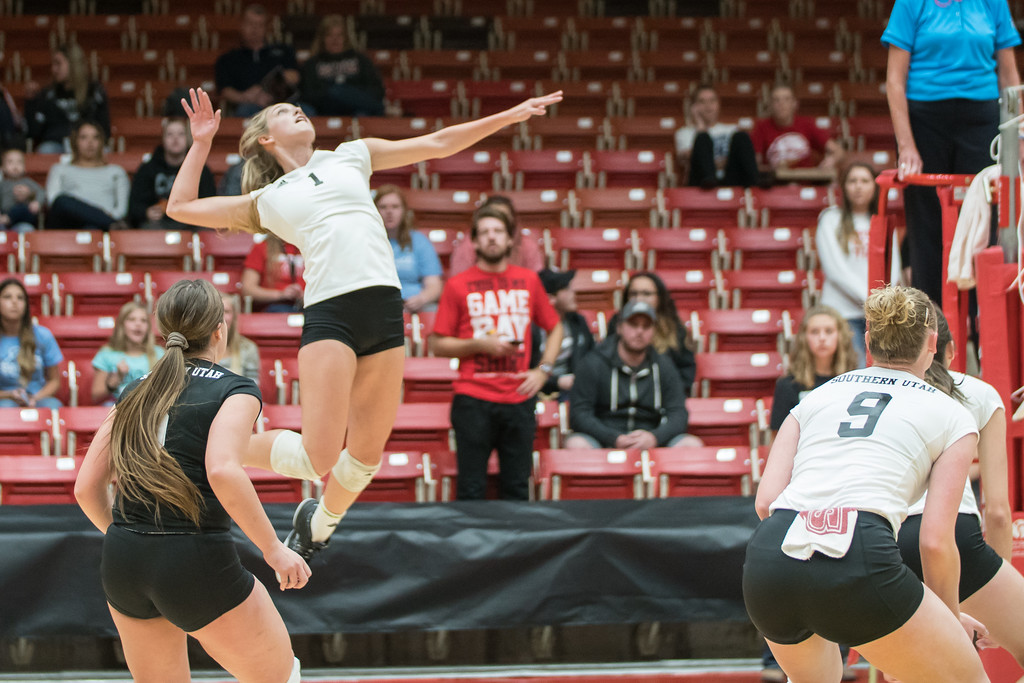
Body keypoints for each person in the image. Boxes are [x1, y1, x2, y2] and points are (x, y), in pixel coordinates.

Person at [167, 86, 562, 557]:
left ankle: (320, 524)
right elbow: (180, 206)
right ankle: (193, 438)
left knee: (365, 458)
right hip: (332, 314)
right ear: (265, 140)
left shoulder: (351, 155)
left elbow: (438, 143)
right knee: (318, 458)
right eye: (282, 112)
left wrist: (508, 115)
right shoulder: (266, 199)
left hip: (384, 312)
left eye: (298, 107)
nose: (296, 109)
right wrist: (202, 143)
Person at [744, 285, 989, 683]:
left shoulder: (815, 397)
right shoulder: (952, 414)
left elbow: (766, 501)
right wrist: (950, 621)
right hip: (858, 551)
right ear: (932, 342)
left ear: (870, 341)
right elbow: (934, 541)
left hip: (772, 557)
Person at [74, 278, 308, 683]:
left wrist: (128, 537)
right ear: (220, 330)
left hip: (124, 560)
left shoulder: (134, 389)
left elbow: (85, 487)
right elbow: (222, 469)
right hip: (194, 557)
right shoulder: (236, 390)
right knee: (281, 678)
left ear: (162, 331)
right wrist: (274, 550)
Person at [896, 308, 1024, 668]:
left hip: (882, 538)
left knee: (917, 670)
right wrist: (999, 595)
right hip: (953, 534)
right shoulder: (979, 393)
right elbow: (998, 511)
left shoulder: (870, 390)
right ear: (949, 350)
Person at [883, 0, 1021, 306]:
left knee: (983, 217)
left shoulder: (992, 3)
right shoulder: (911, 4)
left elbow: (1011, 78)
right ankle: (931, 324)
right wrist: (906, 146)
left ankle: (979, 323)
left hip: (981, 118)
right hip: (924, 119)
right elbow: (894, 80)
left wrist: (1017, 137)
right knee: (927, 222)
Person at [430, 205, 564, 500]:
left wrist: (543, 371)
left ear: (509, 241)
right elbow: (438, 344)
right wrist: (479, 344)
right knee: (471, 487)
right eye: (485, 232)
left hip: (519, 397)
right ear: (475, 242)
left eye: (498, 232)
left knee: (517, 487)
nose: (492, 238)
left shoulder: (529, 281)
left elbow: (556, 328)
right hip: (472, 398)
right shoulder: (457, 285)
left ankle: (517, 546)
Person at [760, 303, 859, 682]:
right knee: (789, 571)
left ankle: (840, 657)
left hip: (842, 486)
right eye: (815, 331)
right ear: (805, 338)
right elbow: (777, 446)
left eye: (829, 331)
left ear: (839, 337)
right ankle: (777, 661)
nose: (822, 338)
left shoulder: (855, 381)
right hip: (800, 489)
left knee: (838, 570)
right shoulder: (789, 386)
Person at [566, 299, 697, 451]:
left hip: (650, 439)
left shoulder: (664, 366)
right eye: (633, 325)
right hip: (604, 439)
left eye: (646, 326)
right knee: (576, 444)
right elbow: (579, 414)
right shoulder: (593, 363)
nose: (639, 331)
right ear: (620, 327)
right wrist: (613, 438)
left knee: (691, 445)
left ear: (653, 331)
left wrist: (655, 437)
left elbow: (679, 414)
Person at [815, 162, 884, 367]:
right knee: (858, 370)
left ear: (874, 186)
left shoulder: (881, 220)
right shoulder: (830, 219)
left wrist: (877, 304)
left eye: (864, 181)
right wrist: (869, 299)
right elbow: (835, 270)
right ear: (844, 187)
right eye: (852, 181)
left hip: (876, 315)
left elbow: (893, 268)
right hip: (842, 313)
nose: (858, 186)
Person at [605, 271, 697, 397]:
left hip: (663, 398)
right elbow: (606, 363)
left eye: (646, 294)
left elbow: (685, 371)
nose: (639, 298)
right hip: (622, 397)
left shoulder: (675, 327)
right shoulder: (617, 323)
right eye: (633, 293)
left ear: (659, 297)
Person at [128, 117, 217, 230]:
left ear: (188, 138)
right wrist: (146, 212)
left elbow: (210, 204)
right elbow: (134, 206)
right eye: (170, 134)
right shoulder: (148, 168)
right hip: (158, 223)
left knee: (207, 229)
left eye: (181, 134)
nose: (175, 139)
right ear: (163, 139)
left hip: (191, 223)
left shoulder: (200, 169)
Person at [215, 4, 301, 118]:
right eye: (250, 24)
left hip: (281, 103)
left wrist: (265, 89)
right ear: (241, 25)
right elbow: (225, 90)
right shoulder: (228, 58)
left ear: (266, 28)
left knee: (306, 111)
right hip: (249, 105)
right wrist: (245, 97)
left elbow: (294, 76)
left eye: (259, 25)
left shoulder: (283, 51)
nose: (254, 29)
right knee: (243, 111)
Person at [24, 43, 110, 154]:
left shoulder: (94, 92)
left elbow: (104, 129)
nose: (54, 69)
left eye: (58, 64)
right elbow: (34, 132)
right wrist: (31, 102)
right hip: (56, 145)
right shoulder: (48, 93)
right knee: (45, 150)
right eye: (53, 64)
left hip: (87, 144)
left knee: (104, 152)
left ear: (73, 64)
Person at [45, 120, 129, 230]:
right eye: (84, 137)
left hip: (101, 228)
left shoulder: (116, 172)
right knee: (61, 200)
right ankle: (107, 222)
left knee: (91, 229)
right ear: (75, 141)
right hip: (68, 226)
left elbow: (121, 210)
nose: (90, 142)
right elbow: (53, 202)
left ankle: (104, 223)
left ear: (102, 142)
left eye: (95, 137)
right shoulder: (60, 169)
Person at [299, 14, 386, 117]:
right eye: (329, 35)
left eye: (339, 35)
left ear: (346, 38)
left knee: (364, 112)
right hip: (324, 110)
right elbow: (308, 95)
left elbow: (376, 91)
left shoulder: (361, 60)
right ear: (322, 38)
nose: (335, 40)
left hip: (358, 109)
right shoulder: (312, 64)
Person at [375, 184, 442, 313]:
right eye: (383, 207)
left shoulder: (419, 241)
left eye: (395, 207)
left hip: (415, 307)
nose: (389, 212)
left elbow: (434, 285)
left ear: (404, 210)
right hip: (378, 308)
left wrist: (421, 299)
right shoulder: (367, 242)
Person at [675, 83, 758, 188]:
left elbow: (742, 159)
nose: (708, 106)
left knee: (742, 136)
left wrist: (715, 162)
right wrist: (700, 125)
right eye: (702, 101)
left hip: (731, 180)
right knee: (702, 138)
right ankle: (710, 183)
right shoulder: (684, 133)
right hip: (701, 184)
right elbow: (693, 159)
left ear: (718, 104)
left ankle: (755, 186)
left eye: (712, 101)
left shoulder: (732, 130)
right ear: (694, 107)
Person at [751, 83, 844, 175]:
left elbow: (838, 151)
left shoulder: (807, 124)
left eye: (786, 99)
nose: (781, 104)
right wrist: (772, 169)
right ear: (770, 105)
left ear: (795, 104)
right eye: (776, 100)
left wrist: (830, 161)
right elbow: (754, 164)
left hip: (805, 181)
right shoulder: (761, 127)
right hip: (775, 183)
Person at [531, 268, 595, 400]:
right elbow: (529, 368)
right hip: (535, 390)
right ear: (550, 298)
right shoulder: (531, 327)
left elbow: (592, 355)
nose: (573, 293)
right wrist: (557, 381)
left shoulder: (577, 322)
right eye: (566, 289)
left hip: (574, 392)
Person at [447, 194, 546, 278]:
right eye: (493, 215)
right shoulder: (469, 244)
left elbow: (537, 281)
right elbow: (459, 282)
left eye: (503, 217)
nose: (491, 237)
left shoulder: (528, 244)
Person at [0, 278, 63, 409]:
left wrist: (34, 398)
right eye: (7, 297)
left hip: (39, 397)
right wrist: (9, 395)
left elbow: (54, 381)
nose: (14, 302)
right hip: (4, 399)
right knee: (6, 408)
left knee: (54, 406)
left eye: (20, 298)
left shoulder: (43, 335)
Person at [91, 302, 165, 405]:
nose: (138, 324)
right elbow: (96, 396)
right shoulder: (107, 354)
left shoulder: (159, 354)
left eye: (143, 321)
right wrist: (115, 380)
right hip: (116, 409)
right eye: (131, 319)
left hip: (149, 407)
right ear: (121, 325)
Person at [241, 234, 305, 313]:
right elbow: (248, 289)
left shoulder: (310, 247)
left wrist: (307, 295)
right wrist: (281, 294)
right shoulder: (262, 247)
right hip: (275, 305)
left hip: (307, 303)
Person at [0, 148, 46, 232]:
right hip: (5, 214)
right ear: (3, 168)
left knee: (24, 208)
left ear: (24, 167)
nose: (15, 166)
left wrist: (36, 201)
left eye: (19, 162)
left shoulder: (28, 182)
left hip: (24, 216)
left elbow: (41, 192)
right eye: (10, 162)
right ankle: (7, 219)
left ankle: (8, 219)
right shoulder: (2, 185)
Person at [220, 292, 261, 382]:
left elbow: (252, 386)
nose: (222, 317)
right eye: (218, 312)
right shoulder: (201, 348)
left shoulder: (248, 348)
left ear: (234, 316)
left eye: (226, 311)